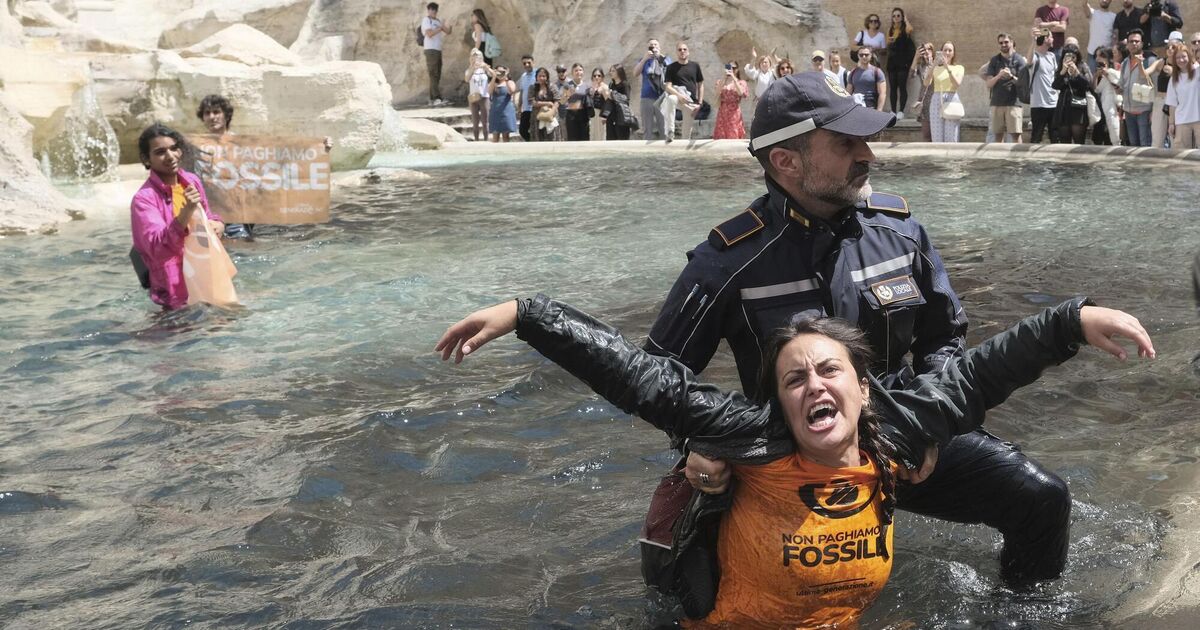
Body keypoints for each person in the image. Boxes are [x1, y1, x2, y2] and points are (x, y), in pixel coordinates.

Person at [437, 296, 1154, 627]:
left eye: (829, 370)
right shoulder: (754, 438)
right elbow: (643, 378)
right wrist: (528, 316)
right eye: (794, 378)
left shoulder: (897, 430)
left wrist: (1071, 321)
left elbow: (980, 372)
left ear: (863, 388)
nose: (814, 385)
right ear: (779, 403)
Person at [645, 71, 1081, 585]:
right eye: (846, 143)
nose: (868, 154)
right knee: (689, 574)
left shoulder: (899, 233)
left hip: (902, 434)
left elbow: (943, 337)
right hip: (784, 454)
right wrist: (697, 445)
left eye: (865, 140)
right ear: (785, 161)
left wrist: (932, 424)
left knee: (1042, 499)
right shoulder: (729, 261)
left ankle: (1018, 615)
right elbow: (656, 375)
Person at [130, 123, 225, 311]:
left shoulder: (191, 181)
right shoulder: (144, 199)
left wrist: (218, 224)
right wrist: (186, 211)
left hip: (206, 280)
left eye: (174, 148)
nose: (170, 156)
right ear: (146, 159)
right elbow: (158, 248)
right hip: (174, 296)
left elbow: (207, 216)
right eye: (160, 152)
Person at [985, 32, 1029, 143]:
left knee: (1016, 135)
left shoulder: (1019, 60)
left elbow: (1023, 83)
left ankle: (1017, 154)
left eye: (1006, 42)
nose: (1003, 45)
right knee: (998, 136)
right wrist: (999, 76)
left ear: (1012, 42)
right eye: (1001, 43)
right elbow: (989, 84)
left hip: (1014, 104)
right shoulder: (994, 60)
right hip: (997, 103)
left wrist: (1011, 76)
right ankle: (999, 155)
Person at [1121, 29, 1158, 146]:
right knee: (1133, 144)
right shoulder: (1125, 63)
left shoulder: (1150, 61)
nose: (1134, 44)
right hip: (1128, 111)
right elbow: (1122, 84)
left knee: (1145, 145)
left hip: (1145, 111)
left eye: (1136, 41)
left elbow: (1157, 87)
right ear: (1127, 45)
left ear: (1142, 43)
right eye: (1131, 41)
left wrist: (1154, 111)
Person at [1052, 43, 1095, 143]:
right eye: (1067, 56)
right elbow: (1055, 86)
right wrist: (1062, 72)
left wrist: (1077, 73)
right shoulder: (1061, 67)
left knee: (1079, 141)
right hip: (1064, 108)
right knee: (1064, 141)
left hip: (1078, 108)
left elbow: (1088, 84)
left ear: (1077, 57)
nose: (1070, 59)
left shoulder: (1083, 66)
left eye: (1073, 56)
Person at [663, 42, 705, 143]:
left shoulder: (695, 66)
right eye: (680, 49)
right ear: (676, 52)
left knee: (686, 136)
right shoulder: (671, 67)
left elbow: (700, 85)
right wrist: (679, 96)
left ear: (688, 52)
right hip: (678, 98)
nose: (682, 51)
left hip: (690, 102)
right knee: (671, 99)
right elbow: (668, 87)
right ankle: (670, 131)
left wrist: (699, 103)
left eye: (684, 49)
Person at [926, 41, 964, 142]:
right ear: (941, 52)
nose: (947, 53)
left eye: (950, 50)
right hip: (937, 99)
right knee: (936, 135)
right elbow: (926, 83)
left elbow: (957, 84)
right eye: (945, 50)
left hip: (952, 98)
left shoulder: (959, 68)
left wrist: (947, 67)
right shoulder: (935, 69)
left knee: (951, 136)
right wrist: (934, 64)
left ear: (953, 53)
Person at [634, 39, 671, 140]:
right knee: (647, 129)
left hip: (662, 97)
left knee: (664, 128)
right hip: (646, 97)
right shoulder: (644, 60)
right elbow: (635, 73)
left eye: (656, 45)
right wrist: (644, 59)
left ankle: (665, 147)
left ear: (659, 47)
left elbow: (670, 70)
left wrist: (659, 56)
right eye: (651, 45)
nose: (654, 47)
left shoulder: (665, 59)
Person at [1029, 27, 1062, 142]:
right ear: (1045, 39)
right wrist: (1033, 40)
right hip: (1039, 104)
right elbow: (1029, 61)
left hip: (1053, 103)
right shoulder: (1035, 55)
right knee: (1036, 137)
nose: (1053, 39)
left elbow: (1055, 76)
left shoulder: (1052, 56)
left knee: (1055, 137)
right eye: (1051, 37)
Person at [1166, 44, 1200, 148]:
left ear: (1189, 57)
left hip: (1198, 118)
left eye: (1184, 56)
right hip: (1182, 120)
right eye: (1178, 58)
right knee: (1182, 153)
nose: (1181, 60)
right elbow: (1172, 104)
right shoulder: (1173, 79)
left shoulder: (1197, 71)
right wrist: (1171, 123)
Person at [886, 7, 917, 118]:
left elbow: (910, 30)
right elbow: (887, 43)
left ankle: (901, 111)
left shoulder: (905, 28)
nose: (896, 18)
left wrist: (906, 20)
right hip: (892, 62)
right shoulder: (890, 29)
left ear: (902, 17)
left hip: (903, 62)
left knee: (902, 86)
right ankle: (893, 111)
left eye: (898, 15)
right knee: (893, 87)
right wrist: (890, 41)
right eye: (894, 16)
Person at [420, 2, 451, 107]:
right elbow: (429, 34)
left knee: (437, 74)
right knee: (433, 74)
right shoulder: (426, 20)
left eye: (434, 9)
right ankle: (436, 98)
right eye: (431, 9)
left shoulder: (438, 21)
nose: (433, 11)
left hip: (437, 49)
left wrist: (448, 24)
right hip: (430, 49)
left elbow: (448, 31)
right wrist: (440, 28)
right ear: (428, 10)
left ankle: (433, 98)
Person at [713, 62, 749, 140]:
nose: (731, 70)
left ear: (737, 69)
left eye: (734, 68)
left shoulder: (741, 82)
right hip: (723, 111)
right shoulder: (720, 82)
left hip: (734, 112)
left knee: (734, 133)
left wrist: (733, 78)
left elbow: (741, 93)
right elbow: (717, 92)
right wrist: (724, 78)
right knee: (721, 134)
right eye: (729, 68)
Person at [1095, 48, 1123, 143]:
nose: (1098, 59)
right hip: (1103, 103)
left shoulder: (1117, 67)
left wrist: (1108, 73)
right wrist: (1096, 76)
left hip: (1116, 103)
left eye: (1101, 56)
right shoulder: (1098, 70)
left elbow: (1120, 84)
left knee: (1114, 124)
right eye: (1096, 56)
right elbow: (1096, 89)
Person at [464, 49, 491, 141]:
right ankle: (476, 140)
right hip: (473, 97)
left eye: (478, 57)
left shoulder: (484, 69)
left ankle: (486, 139)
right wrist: (472, 67)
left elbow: (493, 75)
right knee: (475, 121)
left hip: (484, 96)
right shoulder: (469, 70)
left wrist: (486, 67)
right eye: (473, 57)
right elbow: (467, 79)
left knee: (485, 121)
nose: (476, 59)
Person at [601, 64, 632, 141]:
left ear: (619, 72)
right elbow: (608, 101)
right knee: (610, 139)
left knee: (622, 138)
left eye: (613, 71)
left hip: (621, 115)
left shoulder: (625, 84)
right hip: (611, 115)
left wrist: (613, 96)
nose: (610, 73)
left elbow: (626, 99)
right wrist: (604, 115)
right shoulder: (611, 84)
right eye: (610, 71)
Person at [1085, 1, 1119, 72]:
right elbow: (1084, 4)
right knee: (1091, 77)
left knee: (1107, 77)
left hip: (1107, 55)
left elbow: (1115, 36)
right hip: (1092, 54)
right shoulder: (1092, 13)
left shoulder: (1114, 16)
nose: (1104, 0)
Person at [487, 65, 518, 142]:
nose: (500, 73)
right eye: (498, 71)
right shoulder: (493, 83)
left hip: (506, 110)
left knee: (506, 136)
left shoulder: (510, 82)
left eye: (502, 72)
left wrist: (506, 79)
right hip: (495, 111)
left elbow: (512, 91)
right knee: (495, 136)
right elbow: (489, 92)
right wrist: (494, 77)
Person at [912, 42, 935, 139]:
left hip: (935, 99)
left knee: (936, 132)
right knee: (926, 133)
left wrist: (931, 63)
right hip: (924, 101)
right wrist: (916, 57)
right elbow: (911, 75)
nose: (926, 51)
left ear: (932, 51)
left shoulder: (938, 65)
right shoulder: (921, 66)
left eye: (929, 49)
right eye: (924, 49)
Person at [529, 67, 559, 142]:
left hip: (551, 116)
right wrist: (547, 103)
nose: (541, 78)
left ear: (547, 77)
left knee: (551, 138)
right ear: (536, 77)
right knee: (538, 138)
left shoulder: (552, 87)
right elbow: (532, 102)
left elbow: (557, 101)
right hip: (537, 116)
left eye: (544, 76)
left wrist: (552, 112)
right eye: (539, 76)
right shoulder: (532, 88)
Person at [563, 64, 591, 141]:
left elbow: (589, 101)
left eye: (580, 70)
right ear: (572, 73)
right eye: (576, 70)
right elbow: (562, 101)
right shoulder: (567, 85)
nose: (578, 72)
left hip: (583, 114)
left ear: (583, 72)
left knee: (584, 138)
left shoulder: (587, 86)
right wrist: (568, 95)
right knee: (572, 139)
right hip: (571, 114)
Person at [515, 55, 537, 141]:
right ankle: (532, 142)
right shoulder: (523, 76)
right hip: (526, 109)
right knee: (522, 131)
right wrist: (519, 106)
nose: (527, 65)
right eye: (524, 63)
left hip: (535, 108)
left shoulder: (538, 74)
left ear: (533, 62)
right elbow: (522, 91)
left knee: (535, 130)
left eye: (529, 63)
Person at [553, 64, 573, 141]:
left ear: (566, 71)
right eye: (559, 71)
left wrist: (559, 101)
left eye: (563, 71)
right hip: (559, 114)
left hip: (570, 114)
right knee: (560, 137)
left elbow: (569, 97)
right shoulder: (554, 85)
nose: (561, 73)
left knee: (569, 136)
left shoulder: (571, 83)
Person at [588, 68, 607, 142]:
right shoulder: (591, 88)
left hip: (600, 114)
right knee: (593, 134)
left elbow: (608, 102)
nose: (596, 77)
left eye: (599, 75)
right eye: (594, 75)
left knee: (600, 135)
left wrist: (605, 116)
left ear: (602, 77)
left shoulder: (604, 87)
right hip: (592, 114)